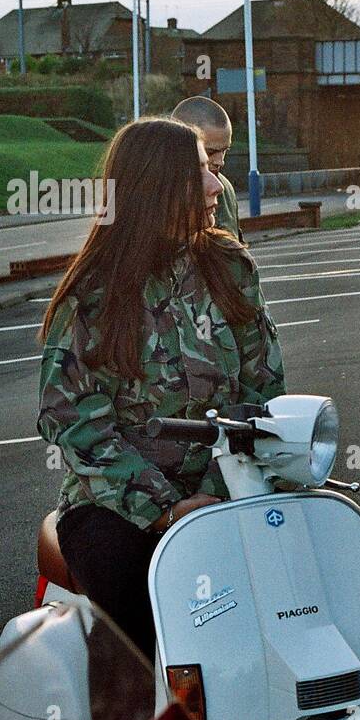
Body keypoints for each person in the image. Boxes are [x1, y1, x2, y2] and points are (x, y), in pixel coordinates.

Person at [37, 117, 285, 657]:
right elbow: (75, 425)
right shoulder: (93, 295)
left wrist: (221, 491)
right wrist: (167, 509)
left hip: (229, 489)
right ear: (157, 186)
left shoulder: (230, 265)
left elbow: (264, 389)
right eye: (200, 173)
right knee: (155, 633)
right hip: (117, 508)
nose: (218, 186)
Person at [173, 96, 242, 242]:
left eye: (224, 150)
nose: (220, 161)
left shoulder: (225, 187)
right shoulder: (158, 191)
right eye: (210, 152)